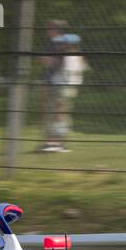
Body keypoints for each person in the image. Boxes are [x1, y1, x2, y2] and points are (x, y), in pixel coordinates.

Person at [39, 20, 85, 152]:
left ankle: (55, 143)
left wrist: (44, 60)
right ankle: (58, 143)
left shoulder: (63, 50)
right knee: (62, 113)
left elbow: (51, 63)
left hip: (61, 85)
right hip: (69, 86)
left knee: (57, 113)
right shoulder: (76, 54)